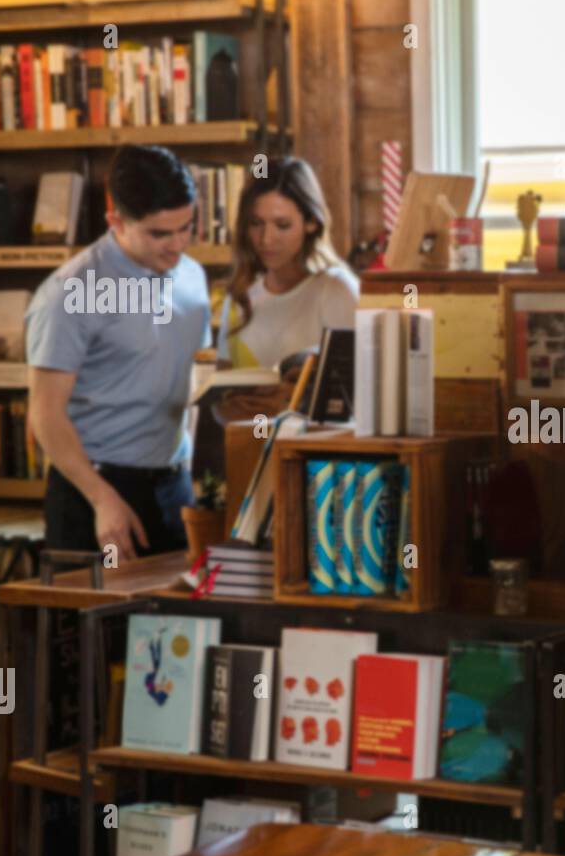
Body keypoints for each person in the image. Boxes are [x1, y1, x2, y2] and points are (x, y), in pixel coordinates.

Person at [27, 144, 212, 560]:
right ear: (116, 221)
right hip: (94, 491)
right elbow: (45, 413)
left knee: (173, 623)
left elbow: (196, 382)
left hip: (174, 486)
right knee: (93, 624)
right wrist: (101, 498)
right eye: (158, 233)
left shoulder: (193, 278)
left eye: (185, 227)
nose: (177, 244)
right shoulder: (72, 291)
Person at [213, 156, 358, 418]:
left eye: (282, 225)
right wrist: (228, 409)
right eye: (256, 224)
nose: (266, 239)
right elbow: (219, 400)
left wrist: (290, 406)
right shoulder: (239, 297)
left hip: (313, 456)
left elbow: (357, 397)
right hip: (247, 453)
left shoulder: (336, 289)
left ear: (311, 222)